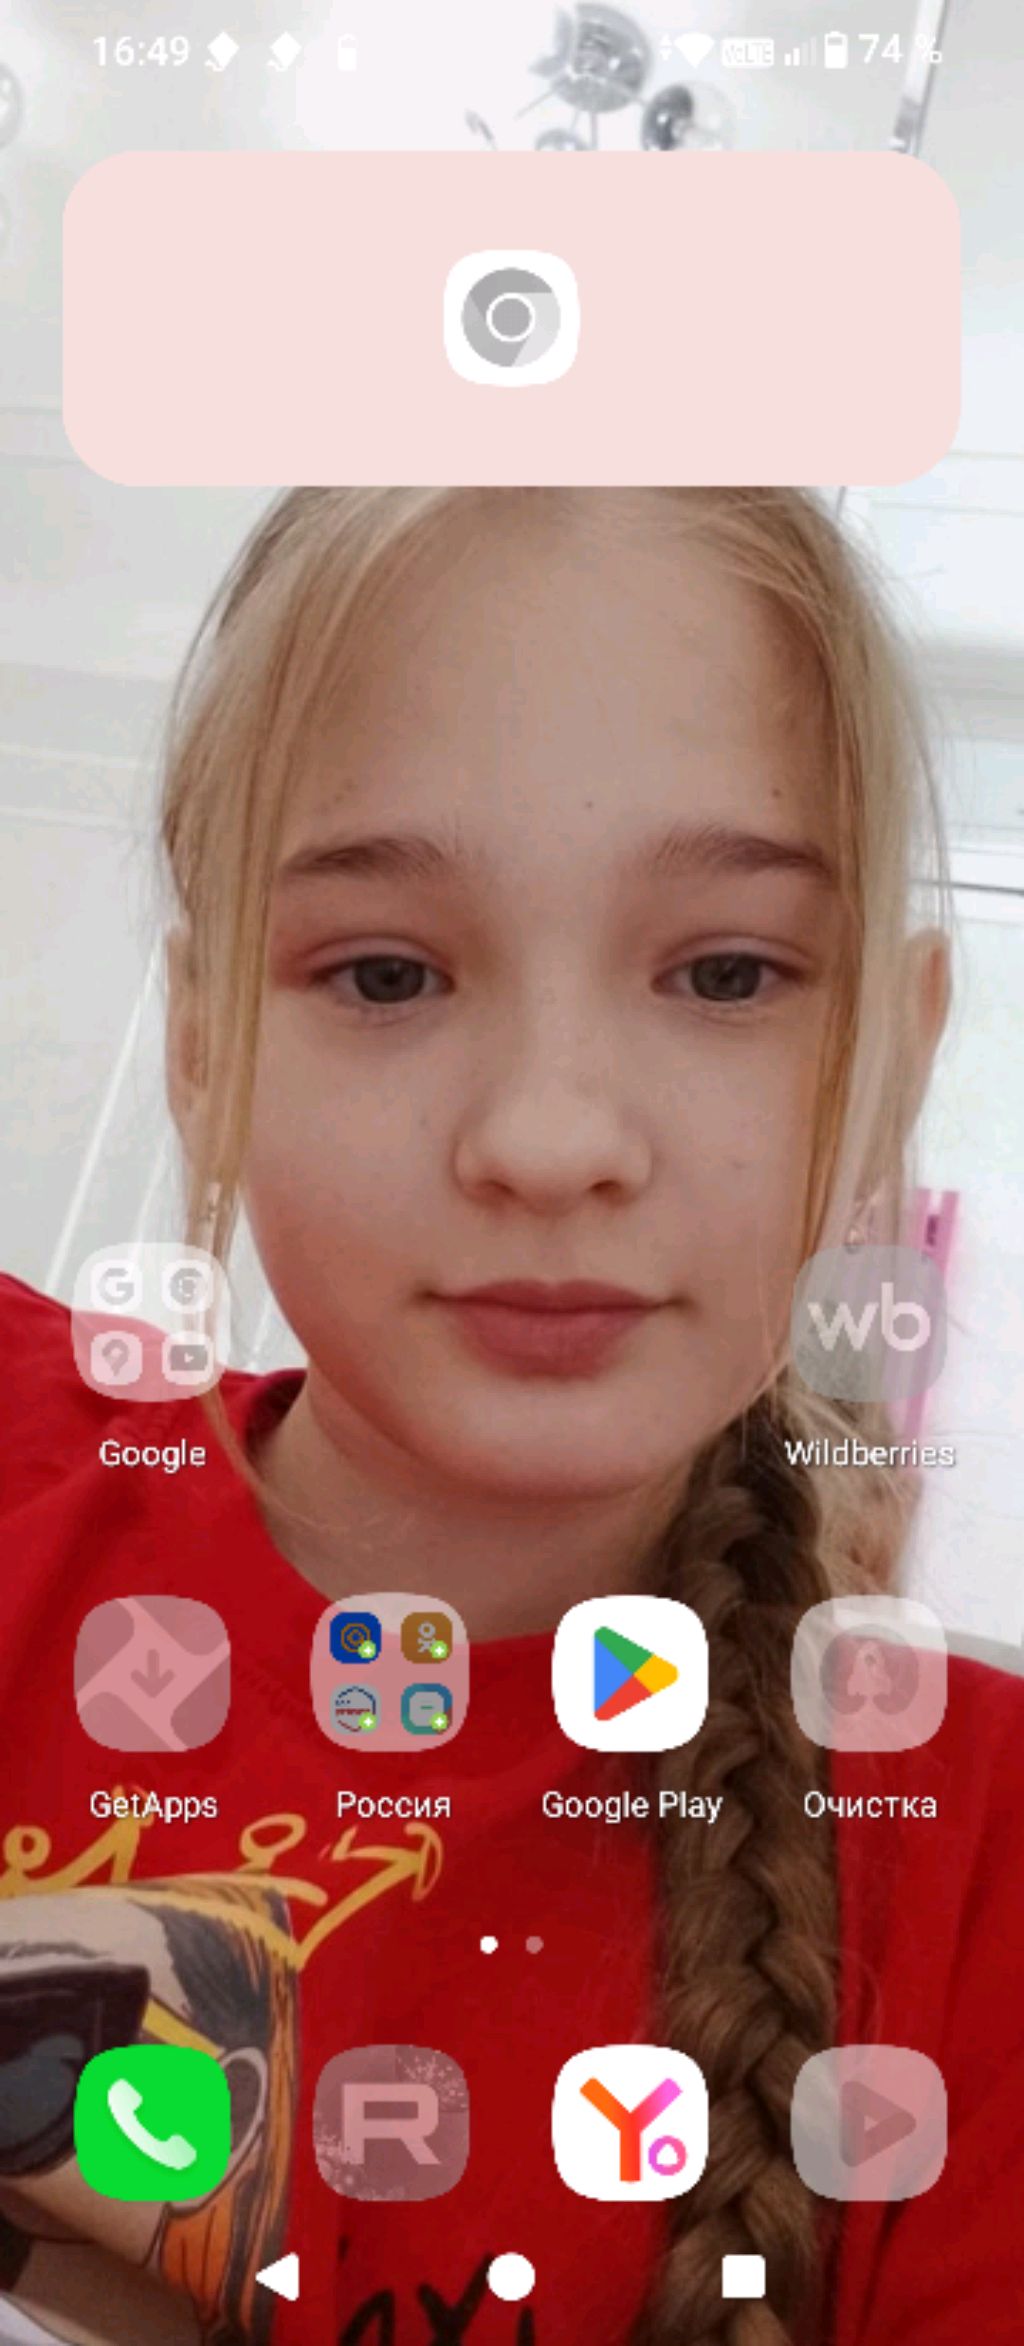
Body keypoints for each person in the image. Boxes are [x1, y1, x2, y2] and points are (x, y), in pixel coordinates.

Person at [0, 487, 1020, 2346]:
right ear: (204, 1043)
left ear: (895, 1051)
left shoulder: (982, 1874)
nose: (550, 1139)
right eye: (387, 972)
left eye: (726, 973)